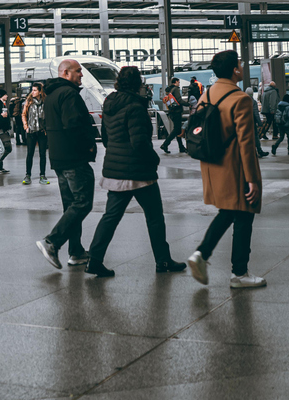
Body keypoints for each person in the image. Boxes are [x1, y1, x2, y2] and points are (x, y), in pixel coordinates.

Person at [83, 66, 187, 278]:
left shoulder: (109, 104)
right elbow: (139, 142)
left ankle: (94, 259)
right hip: (139, 171)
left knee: (110, 217)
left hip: (115, 168)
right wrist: (154, 159)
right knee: (155, 216)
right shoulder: (135, 106)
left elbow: (106, 138)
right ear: (138, 83)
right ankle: (163, 260)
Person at [186, 50, 266, 289]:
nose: (241, 67)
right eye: (239, 64)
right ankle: (239, 273)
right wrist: (252, 179)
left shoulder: (206, 95)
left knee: (228, 212)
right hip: (235, 168)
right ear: (234, 69)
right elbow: (246, 144)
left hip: (212, 166)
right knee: (244, 215)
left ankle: (201, 254)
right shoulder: (240, 99)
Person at [36, 59, 99, 270]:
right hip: (74, 157)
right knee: (82, 203)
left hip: (59, 158)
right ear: (65, 73)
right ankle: (52, 242)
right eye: (78, 71)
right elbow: (74, 125)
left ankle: (77, 251)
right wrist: (88, 145)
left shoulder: (51, 95)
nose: (81, 75)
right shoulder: (69, 94)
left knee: (71, 206)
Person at [22, 83, 49, 184]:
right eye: (32, 90)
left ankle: (42, 175)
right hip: (31, 131)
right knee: (30, 153)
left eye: (35, 90)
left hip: (42, 131)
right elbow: (24, 114)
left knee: (43, 154)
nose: (32, 92)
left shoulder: (45, 101)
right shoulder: (29, 101)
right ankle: (27, 175)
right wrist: (26, 127)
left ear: (40, 91)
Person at [160, 78, 186, 155]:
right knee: (176, 129)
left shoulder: (169, 90)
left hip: (172, 112)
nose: (179, 83)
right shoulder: (176, 89)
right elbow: (179, 100)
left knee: (177, 130)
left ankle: (181, 147)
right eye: (178, 82)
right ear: (175, 82)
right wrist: (188, 104)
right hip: (177, 112)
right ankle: (165, 144)